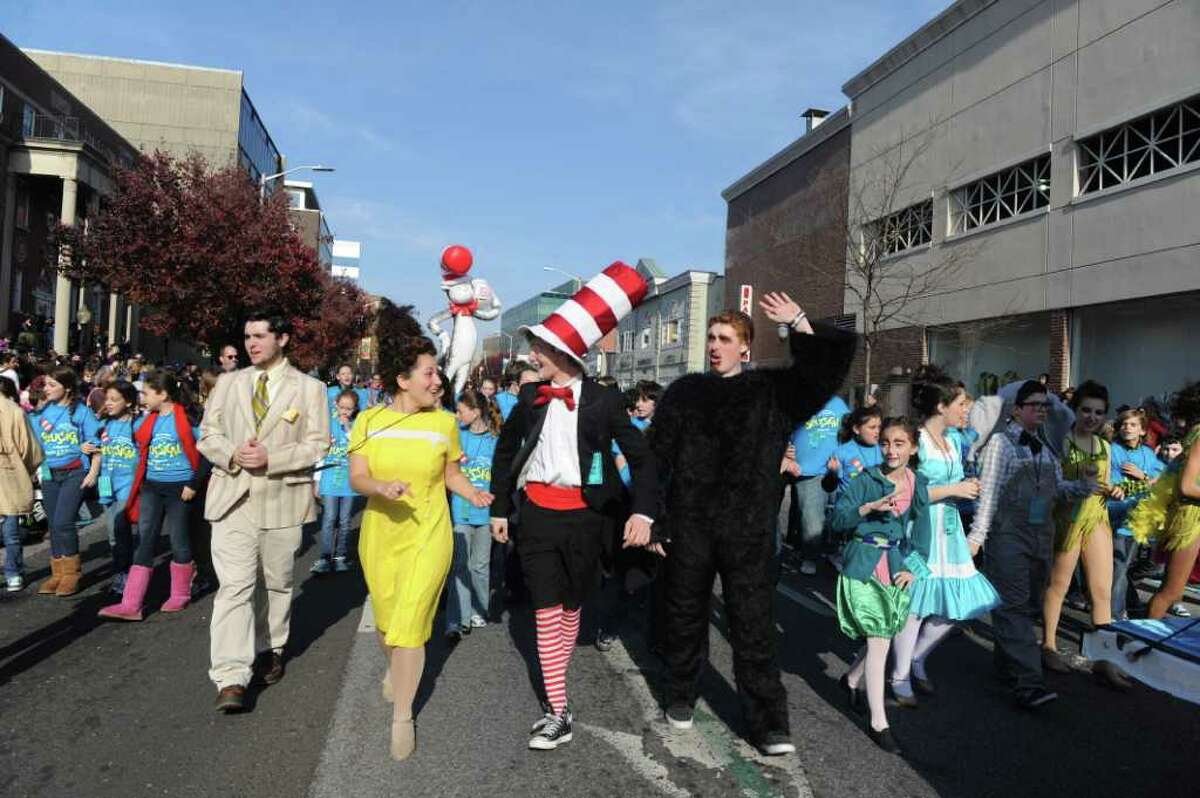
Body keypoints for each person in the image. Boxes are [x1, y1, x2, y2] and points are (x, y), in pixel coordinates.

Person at [651, 292, 855, 755]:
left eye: (725, 338)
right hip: (691, 527)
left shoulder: (770, 391)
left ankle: (768, 723)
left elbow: (822, 374)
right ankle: (680, 694)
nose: (715, 346)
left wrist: (800, 322)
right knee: (683, 617)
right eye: (710, 337)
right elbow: (657, 458)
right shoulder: (685, 391)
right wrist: (655, 518)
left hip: (748, 530)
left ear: (745, 347)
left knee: (754, 627)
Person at [489, 262, 657, 752]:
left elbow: (643, 457)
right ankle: (558, 711)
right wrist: (501, 507)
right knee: (545, 608)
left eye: (539, 349)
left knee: (569, 609)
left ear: (562, 353)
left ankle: (556, 691)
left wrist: (642, 513)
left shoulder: (604, 403)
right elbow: (505, 452)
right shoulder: (530, 398)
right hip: (538, 515)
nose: (532, 355)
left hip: (587, 519)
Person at [349, 322, 492, 761]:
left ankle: (403, 716)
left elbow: (450, 473)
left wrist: (472, 493)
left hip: (430, 533)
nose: (438, 381)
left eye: (438, 373)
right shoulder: (369, 420)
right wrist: (380, 487)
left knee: (412, 623)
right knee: (391, 623)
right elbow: (357, 477)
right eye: (429, 373)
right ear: (403, 380)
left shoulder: (446, 423)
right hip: (381, 535)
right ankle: (397, 670)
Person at [197, 310, 330, 713]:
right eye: (247, 335)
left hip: (281, 497)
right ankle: (231, 675)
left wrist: (271, 457)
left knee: (277, 582)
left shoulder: (310, 389)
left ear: (283, 339)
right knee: (234, 587)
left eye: (260, 336)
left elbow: (317, 444)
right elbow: (208, 434)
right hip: (232, 497)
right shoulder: (228, 383)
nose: (251, 343)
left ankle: (270, 646)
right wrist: (232, 453)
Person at [969, 380, 1093, 709]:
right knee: (1012, 606)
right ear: (1016, 410)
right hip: (1009, 534)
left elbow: (1057, 488)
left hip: (1042, 535)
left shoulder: (1045, 446)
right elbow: (990, 492)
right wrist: (977, 538)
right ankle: (1029, 682)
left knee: (1030, 605)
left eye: (1045, 405)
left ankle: (1006, 666)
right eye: (1035, 404)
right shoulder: (1000, 443)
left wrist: (1084, 486)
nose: (1042, 410)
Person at [890, 366, 998, 706]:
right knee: (915, 606)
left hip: (950, 530)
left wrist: (969, 489)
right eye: (962, 404)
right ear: (941, 406)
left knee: (958, 605)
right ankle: (900, 674)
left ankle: (917, 657)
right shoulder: (916, 440)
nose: (967, 410)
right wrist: (955, 488)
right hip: (921, 529)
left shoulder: (953, 440)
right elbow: (904, 492)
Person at [831, 417, 926, 753]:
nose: (890, 450)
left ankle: (852, 680)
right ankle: (878, 722)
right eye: (885, 442)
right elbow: (837, 519)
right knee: (879, 637)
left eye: (899, 443)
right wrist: (868, 507)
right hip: (863, 566)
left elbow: (923, 529)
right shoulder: (865, 479)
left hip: (896, 567)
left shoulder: (917, 481)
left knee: (883, 634)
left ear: (913, 447)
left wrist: (915, 568)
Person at [99, 371, 208, 621]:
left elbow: (207, 453)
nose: (143, 398)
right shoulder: (147, 421)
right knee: (145, 540)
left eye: (147, 393)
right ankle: (131, 603)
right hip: (151, 487)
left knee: (179, 540)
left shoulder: (188, 420)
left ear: (163, 394)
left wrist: (193, 483)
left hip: (180, 489)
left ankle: (180, 593)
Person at [1041, 381, 1125, 683]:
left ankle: (1103, 658)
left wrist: (1114, 490)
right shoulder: (1062, 441)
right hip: (1068, 519)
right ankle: (1048, 645)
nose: (1092, 417)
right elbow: (1052, 485)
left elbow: (1104, 484)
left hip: (1097, 518)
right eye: (1086, 410)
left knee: (1102, 591)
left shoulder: (1105, 446)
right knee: (1058, 585)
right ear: (1075, 410)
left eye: (1099, 412)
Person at [1128, 381, 1200, 619]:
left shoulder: (1194, 433)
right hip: (1190, 519)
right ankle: (1141, 643)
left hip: (1191, 515)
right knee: (1171, 592)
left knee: (1172, 591)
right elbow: (1186, 486)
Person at [30, 366, 102, 596]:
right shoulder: (43, 413)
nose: (46, 389)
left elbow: (97, 444)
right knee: (53, 524)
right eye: (46, 384)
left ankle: (72, 573)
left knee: (63, 521)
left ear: (68, 388)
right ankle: (58, 573)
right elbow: (36, 444)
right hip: (51, 474)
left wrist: (92, 472)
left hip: (75, 472)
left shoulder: (81, 412)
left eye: (52, 385)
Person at [445, 387, 501, 640]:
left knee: (480, 565)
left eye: (461, 411)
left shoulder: (495, 439)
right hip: (460, 509)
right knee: (460, 564)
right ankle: (458, 619)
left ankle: (480, 607)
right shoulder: (457, 435)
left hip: (487, 512)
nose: (457, 415)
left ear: (476, 412)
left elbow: (502, 477)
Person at [1107, 408, 1164, 619]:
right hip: (1116, 518)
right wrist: (1130, 486)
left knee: (1131, 567)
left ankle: (1125, 605)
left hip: (1140, 521)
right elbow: (1114, 485)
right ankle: (1114, 615)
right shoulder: (1113, 450)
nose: (1127, 428)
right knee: (1119, 567)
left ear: (1142, 431)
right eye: (1123, 424)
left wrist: (1144, 476)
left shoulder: (1148, 454)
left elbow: (1158, 482)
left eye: (1132, 425)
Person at [786, 391, 850, 575]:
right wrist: (785, 455)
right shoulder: (798, 402)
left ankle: (833, 551)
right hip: (807, 469)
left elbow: (851, 428)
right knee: (812, 520)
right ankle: (809, 555)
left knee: (838, 515)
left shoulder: (838, 403)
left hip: (836, 469)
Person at [91, 380, 142, 595]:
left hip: (128, 486)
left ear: (128, 402)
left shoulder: (137, 425)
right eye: (107, 399)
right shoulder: (104, 424)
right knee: (113, 534)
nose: (109, 404)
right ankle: (121, 571)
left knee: (121, 530)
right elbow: (96, 449)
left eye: (114, 399)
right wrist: (87, 448)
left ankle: (128, 575)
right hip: (106, 484)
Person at [0, 379, 44, 592]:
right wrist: (24, 470)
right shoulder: (15, 412)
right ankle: (13, 574)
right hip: (9, 477)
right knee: (11, 531)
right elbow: (30, 450)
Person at [312, 389, 360, 574]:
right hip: (329, 479)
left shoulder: (357, 424)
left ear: (354, 409)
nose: (344, 412)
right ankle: (325, 556)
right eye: (342, 408)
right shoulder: (328, 424)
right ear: (336, 405)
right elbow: (321, 454)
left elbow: (357, 445)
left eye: (349, 409)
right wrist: (316, 480)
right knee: (330, 518)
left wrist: (347, 427)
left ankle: (340, 555)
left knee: (345, 520)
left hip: (349, 481)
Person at [825, 404, 883, 501]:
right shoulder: (842, 452)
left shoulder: (884, 449)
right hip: (851, 510)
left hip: (878, 509)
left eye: (879, 427)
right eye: (872, 427)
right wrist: (833, 473)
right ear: (856, 429)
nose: (877, 431)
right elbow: (829, 488)